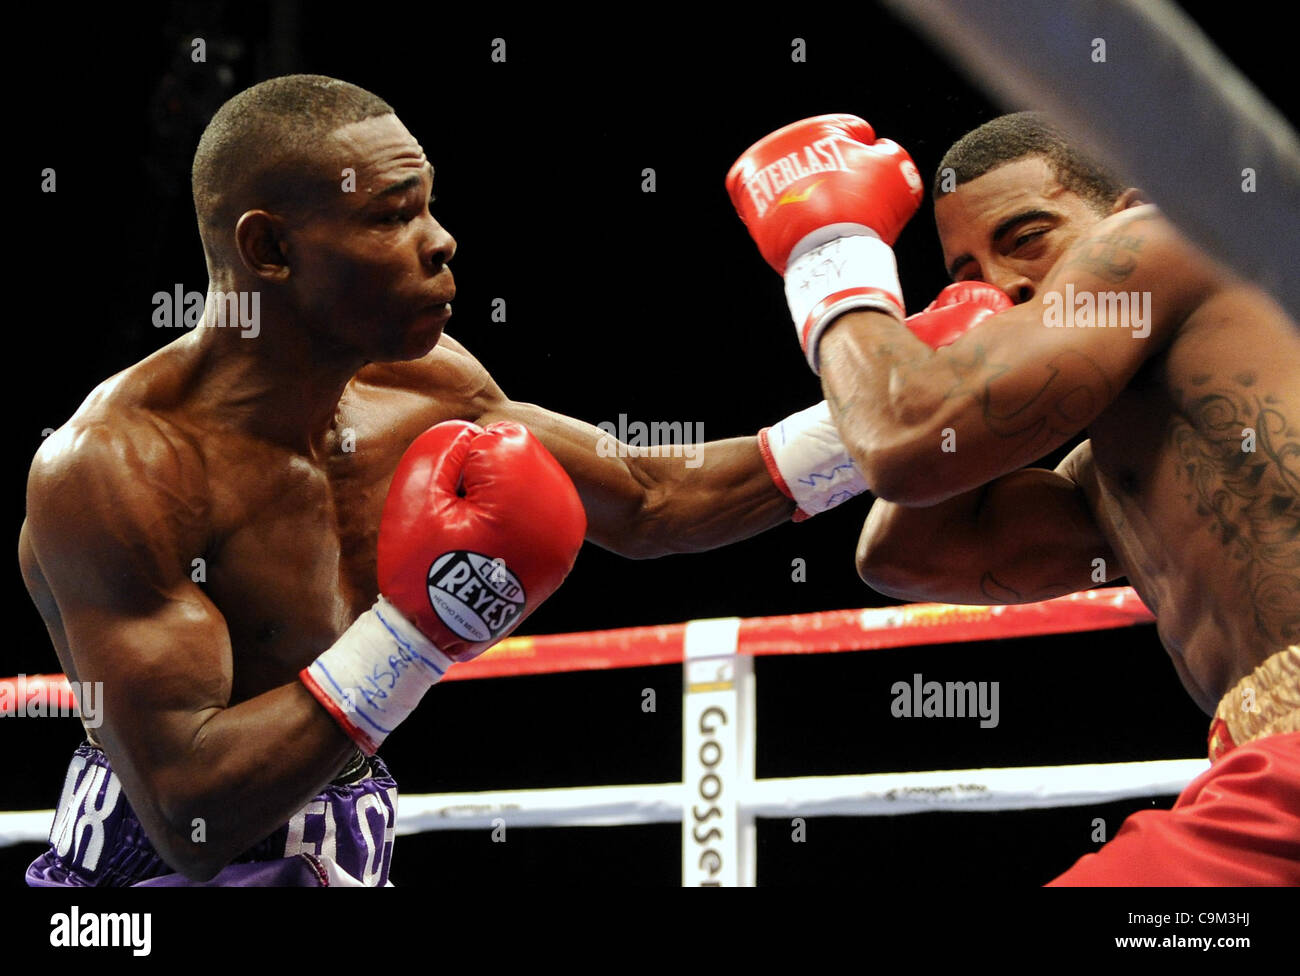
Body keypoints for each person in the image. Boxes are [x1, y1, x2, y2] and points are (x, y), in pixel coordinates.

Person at [17, 75, 865, 887]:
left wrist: (886, 422)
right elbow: (188, 817)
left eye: (427, 204)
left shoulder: (423, 384)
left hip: (343, 841)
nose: (440, 240)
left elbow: (649, 497)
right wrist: (417, 635)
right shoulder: (120, 467)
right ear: (269, 248)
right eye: (393, 215)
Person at [727, 111, 1300, 884]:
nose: (1004, 287)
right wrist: (968, 348)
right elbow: (906, 557)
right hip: (1259, 774)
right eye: (967, 277)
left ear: (1122, 214)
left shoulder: (1170, 236)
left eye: (1028, 238)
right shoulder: (1112, 477)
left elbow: (902, 438)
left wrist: (830, 255)